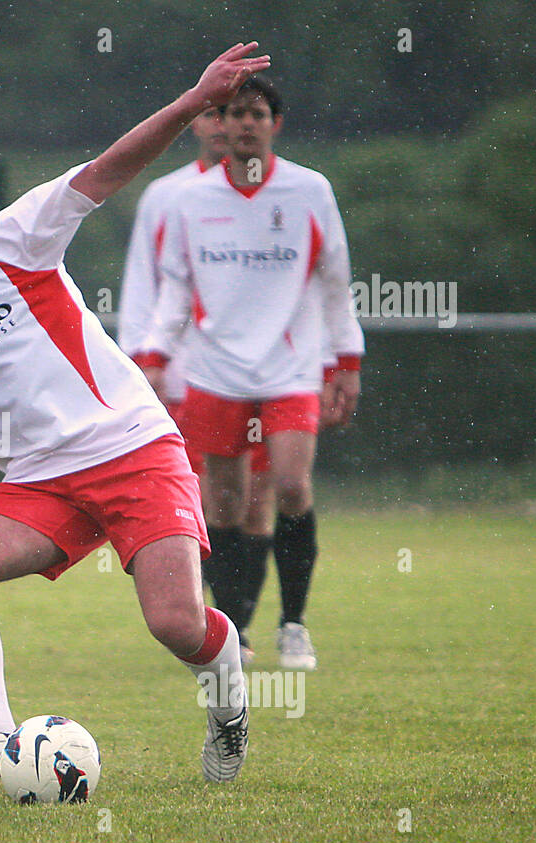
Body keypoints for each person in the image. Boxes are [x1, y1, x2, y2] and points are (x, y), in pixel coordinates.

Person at [0, 43, 272, 785]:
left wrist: (193, 98)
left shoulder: (11, 240)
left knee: (176, 623)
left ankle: (230, 710)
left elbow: (109, 167)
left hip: (132, 447)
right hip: (46, 481)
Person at [138, 75, 363, 672]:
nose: (244, 123)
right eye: (234, 113)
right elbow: (176, 287)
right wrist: (155, 357)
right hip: (216, 373)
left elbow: (336, 281)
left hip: (290, 371)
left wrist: (347, 362)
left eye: (257, 113)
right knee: (226, 508)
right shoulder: (190, 200)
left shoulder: (309, 191)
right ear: (220, 125)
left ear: (275, 124)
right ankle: (233, 630)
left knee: (290, 487)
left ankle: (294, 624)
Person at [117, 105, 275, 666]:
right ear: (200, 125)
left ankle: (242, 626)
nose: (221, 126)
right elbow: (145, 280)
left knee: (258, 504)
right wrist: (142, 362)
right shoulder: (168, 195)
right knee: (201, 506)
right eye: (211, 115)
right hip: (184, 380)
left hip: (253, 375)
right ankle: (213, 618)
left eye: (232, 114)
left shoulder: (274, 195)